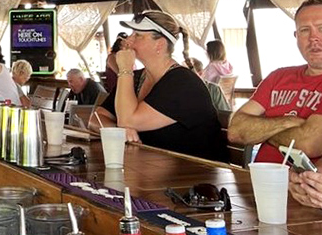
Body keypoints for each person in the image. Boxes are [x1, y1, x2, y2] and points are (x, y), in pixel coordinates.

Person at [89, 10, 229, 162]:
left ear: (159, 45)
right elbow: (96, 118)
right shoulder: (136, 78)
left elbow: (127, 120)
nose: (128, 40)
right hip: (153, 168)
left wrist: (124, 69)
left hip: (197, 176)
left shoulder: (182, 83)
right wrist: (118, 132)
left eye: (137, 35)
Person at [228, 0, 322, 165]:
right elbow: (236, 130)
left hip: (305, 188)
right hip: (259, 183)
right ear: (296, 36)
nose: (313, 38)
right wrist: (291, 123)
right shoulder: (278, 77)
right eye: (305, 30)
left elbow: (310, 143)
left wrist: (263, 131)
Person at [190, 57, 232, 127]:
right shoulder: (213, 88)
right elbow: (225, 113)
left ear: (200, 73)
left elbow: (224, 114)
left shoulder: (213, 89)